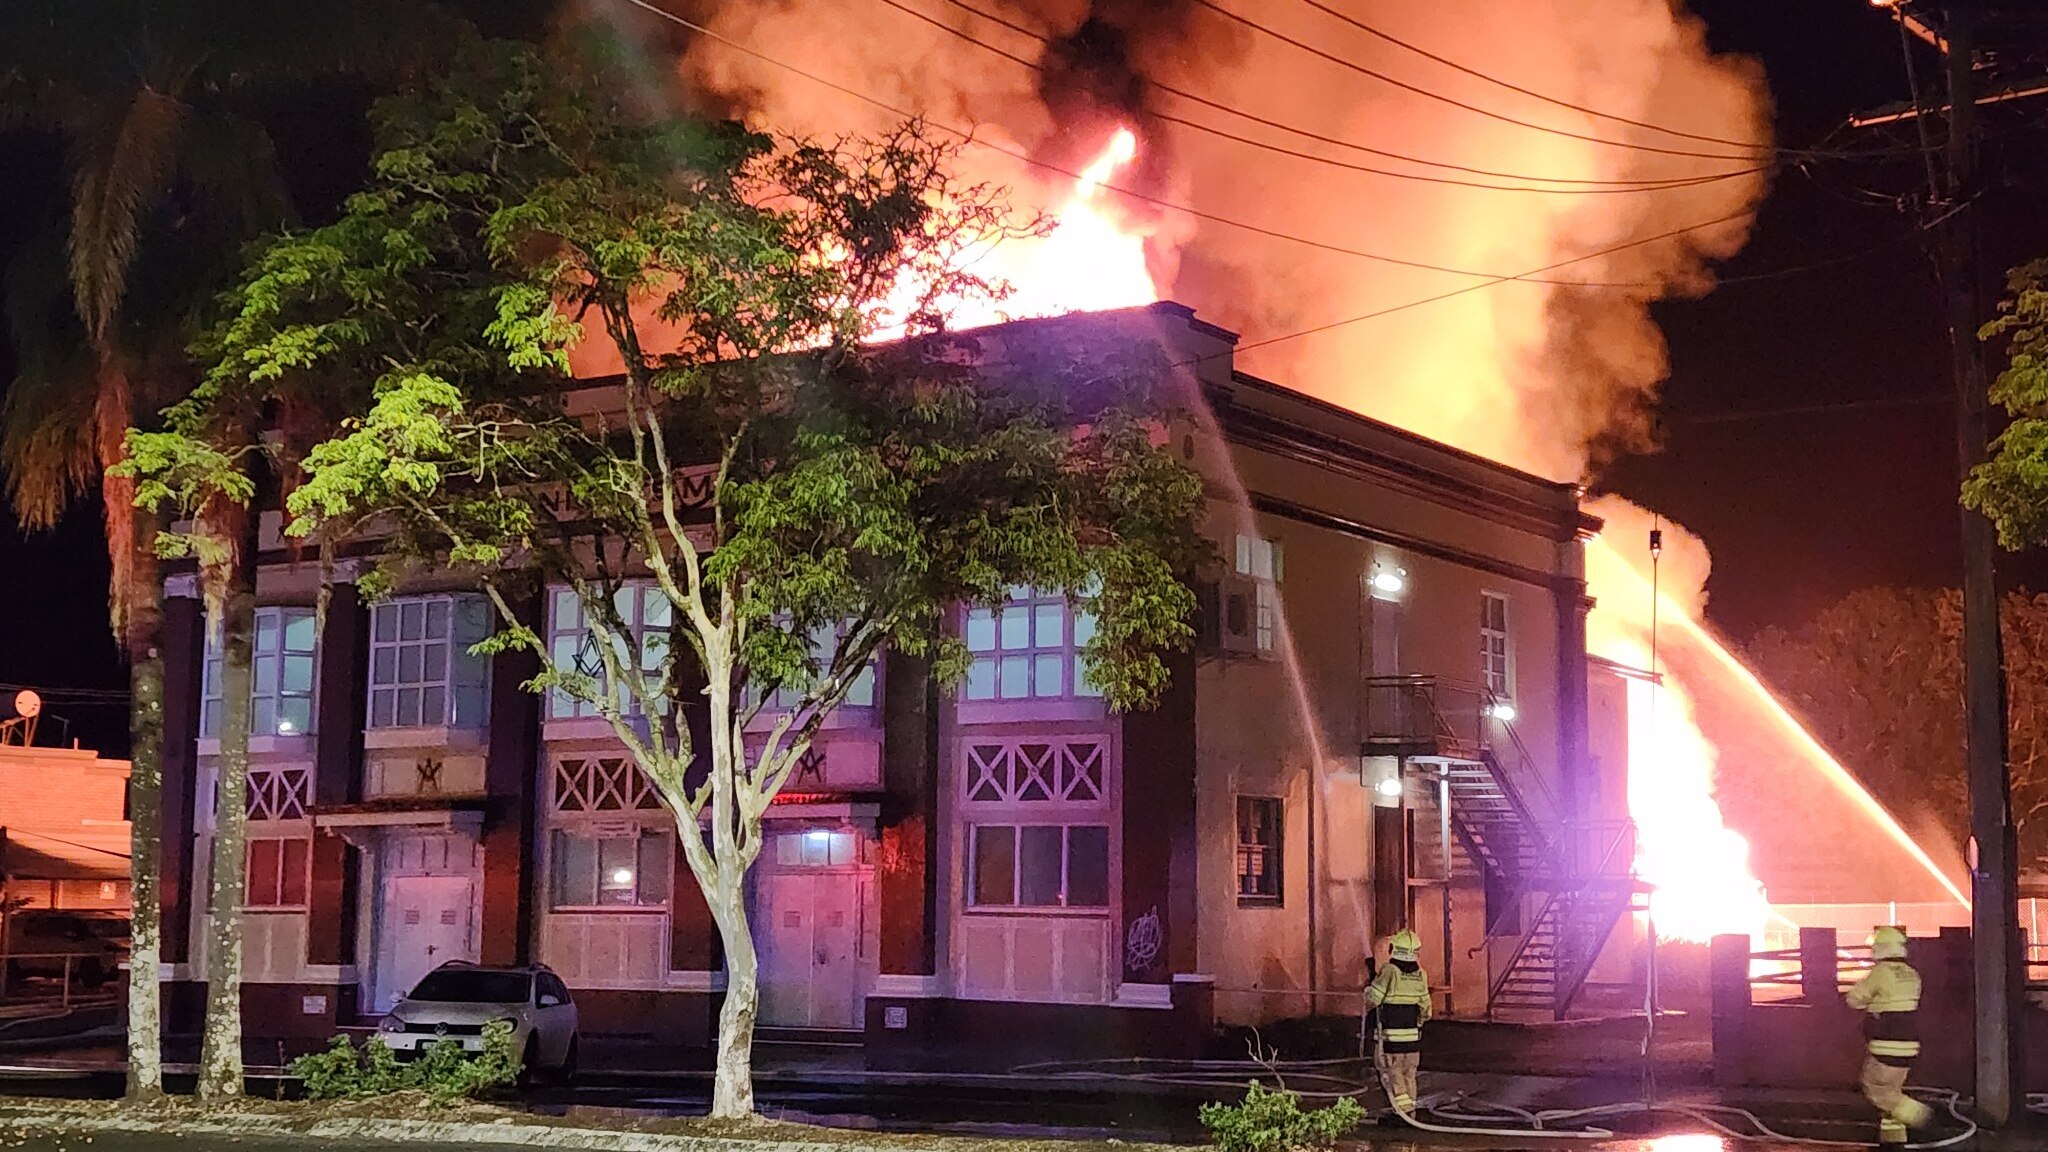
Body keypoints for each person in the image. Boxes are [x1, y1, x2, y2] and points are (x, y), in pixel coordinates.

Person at [1844, 926, 1932, 1146]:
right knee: (1892, 1091)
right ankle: (1893, 1141)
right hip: (1910, 1043)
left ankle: (1921, 1115)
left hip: (1886, 1043)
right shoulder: (1912, 973)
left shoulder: (1881, 972)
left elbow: (1855, 999)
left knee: (1875, 1089)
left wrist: (1867, 1004)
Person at [1367, 928, 1430, 1121]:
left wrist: (1369, 987)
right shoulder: (1421, 974)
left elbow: (1373, 1000)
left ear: (1395, 949)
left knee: (1392, 1076)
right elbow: (1426, 1010)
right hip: (1412, 1040)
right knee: (1409, 1074)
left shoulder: (1389, 971)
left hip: (1390, 1039)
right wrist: (1417, 1024)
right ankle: (1410, 1111)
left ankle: (1400, 1115)